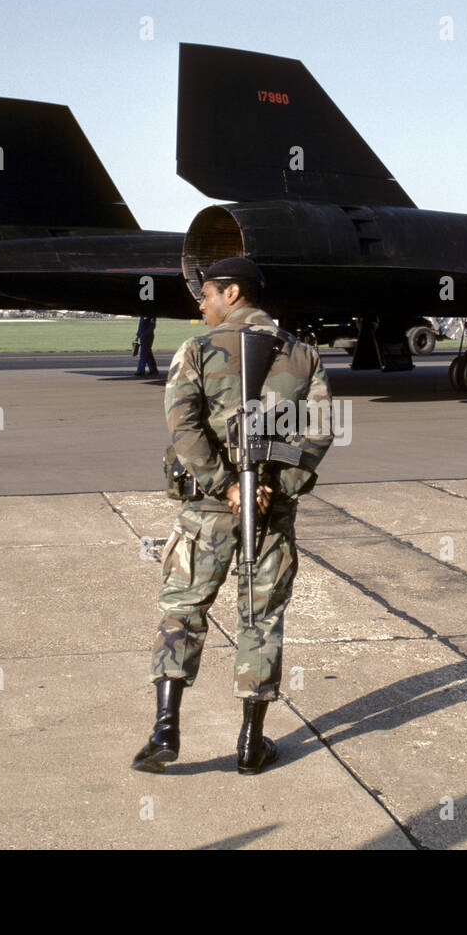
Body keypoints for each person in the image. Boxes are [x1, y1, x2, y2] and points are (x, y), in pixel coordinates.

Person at [132, 257, 334, 775]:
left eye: (208, 293)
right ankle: (251, 744)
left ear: (234, 292)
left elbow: (184, 426)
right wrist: (274, 488)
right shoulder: (303, 355)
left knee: (183, 611)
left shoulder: (197, 351)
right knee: (261, 620)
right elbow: (321, 431)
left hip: (205, 512)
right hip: (271, 515)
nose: (201, 302)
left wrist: (226, 488)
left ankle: (164, 729)